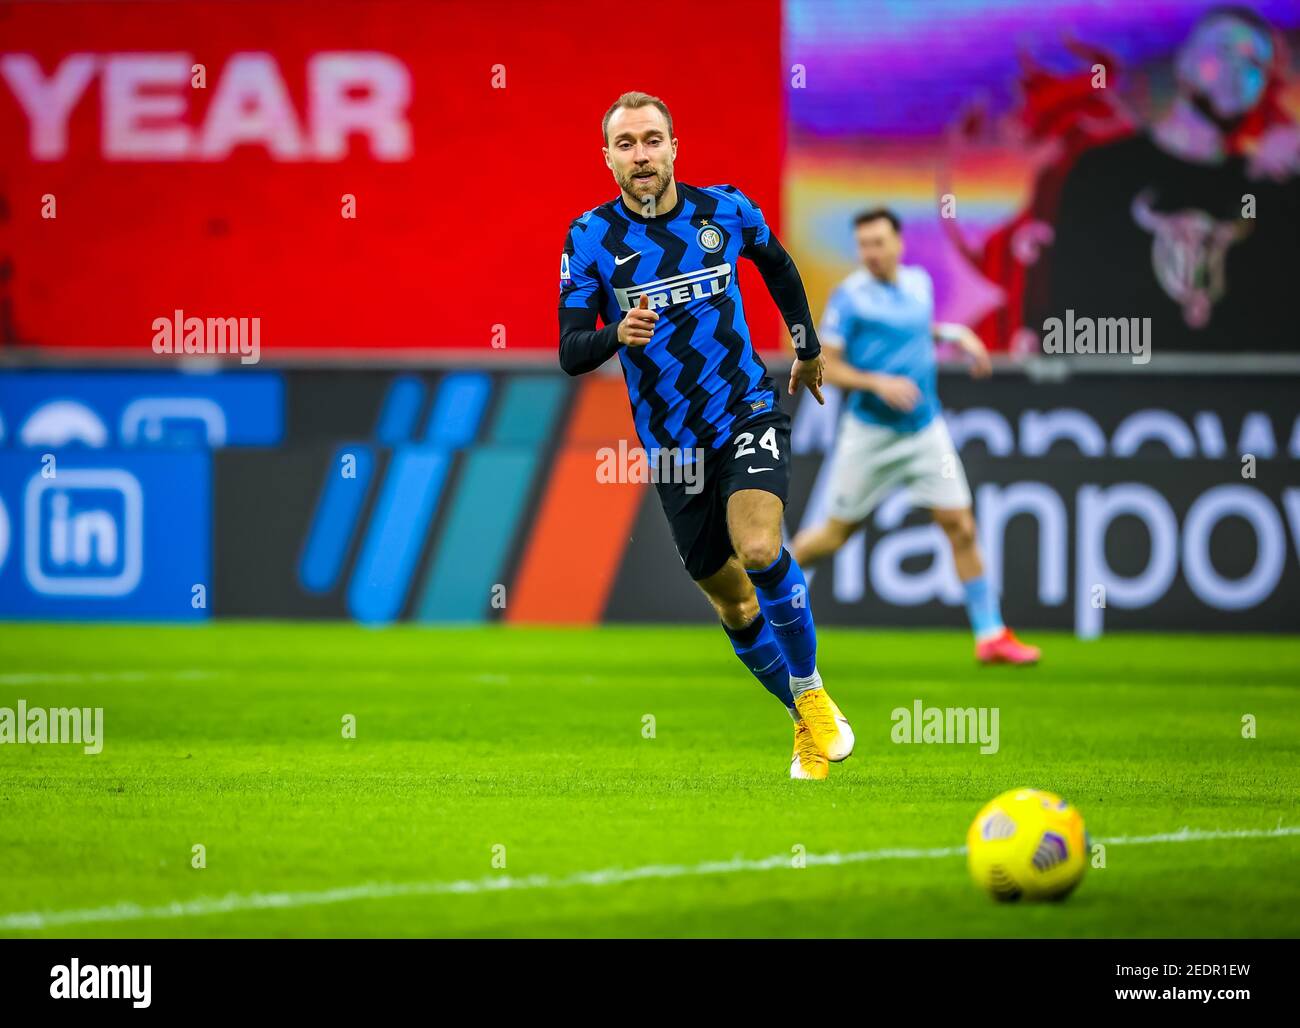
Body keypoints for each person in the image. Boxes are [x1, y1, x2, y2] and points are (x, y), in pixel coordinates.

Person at [558, 91, 853, 780]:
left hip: (743, 410)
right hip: (674, 447)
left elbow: (778, 264)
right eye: (626, 144)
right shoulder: (590, 237)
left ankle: (810, 694)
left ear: (673, 147)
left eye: (652, 140)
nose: (641, 155)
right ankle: (803, 718)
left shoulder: (724, 208)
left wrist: (806, 346)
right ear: (607, 158)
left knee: (758, 547)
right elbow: (572, 350)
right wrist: (614, 334)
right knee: (732, 600)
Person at [792, 208, 1041, 665]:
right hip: (870, 435)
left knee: (961, 526)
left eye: (879, 242)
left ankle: (991, 636)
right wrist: (876, 383)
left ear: (898, 244)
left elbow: (911, 332)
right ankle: (769, 602)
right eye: (863, 244)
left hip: (926, 431)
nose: (871, 252)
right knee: (830, 536)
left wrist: (954, 332)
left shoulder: (919, 285)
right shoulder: (850, 298)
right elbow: (827, 366)